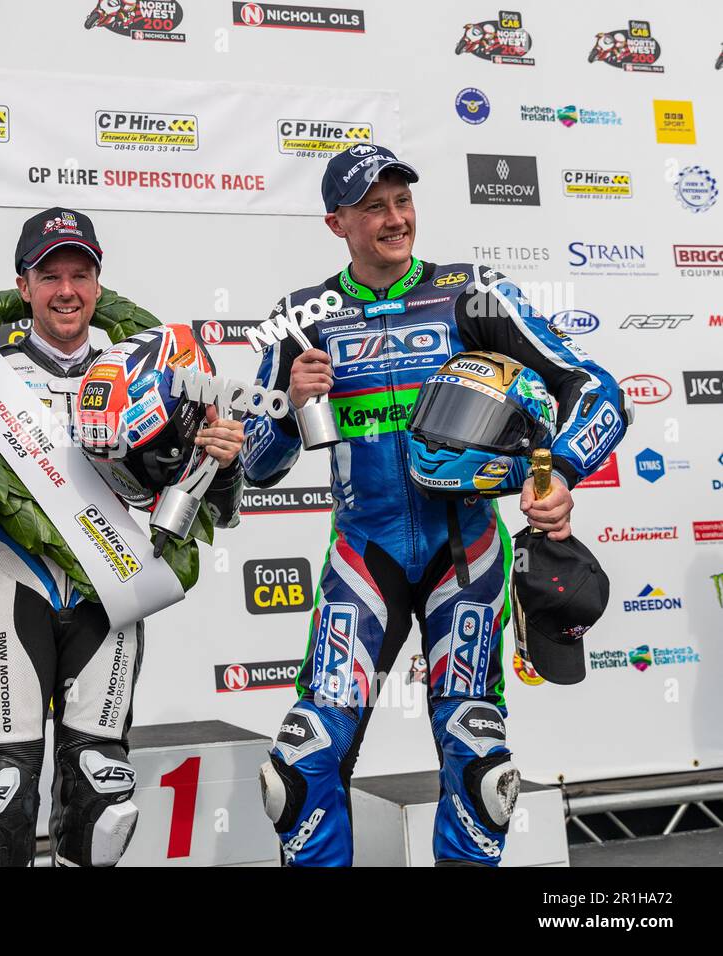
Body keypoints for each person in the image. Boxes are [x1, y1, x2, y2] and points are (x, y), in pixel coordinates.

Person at [242, 145, 629, 866]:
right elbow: (258, 467)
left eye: (403, 201)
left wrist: (560, 469)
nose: (395, 219)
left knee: (481, 766)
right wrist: (293, 407)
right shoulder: (301, 318)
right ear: (337, 223)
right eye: (374, 207)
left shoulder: (471, 293)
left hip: (467, 555)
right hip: (365, 556)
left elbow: (597, 387)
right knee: (298, 769)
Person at [0, 207, 245, 866]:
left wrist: (223, 465)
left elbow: (215, 508)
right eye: (50, 274)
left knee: (103, 794)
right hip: (11, 589)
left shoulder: (159, 372)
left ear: (98, 283)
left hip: (110, 593)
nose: (67, 289)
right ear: (23, 285)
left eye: (81, 273)